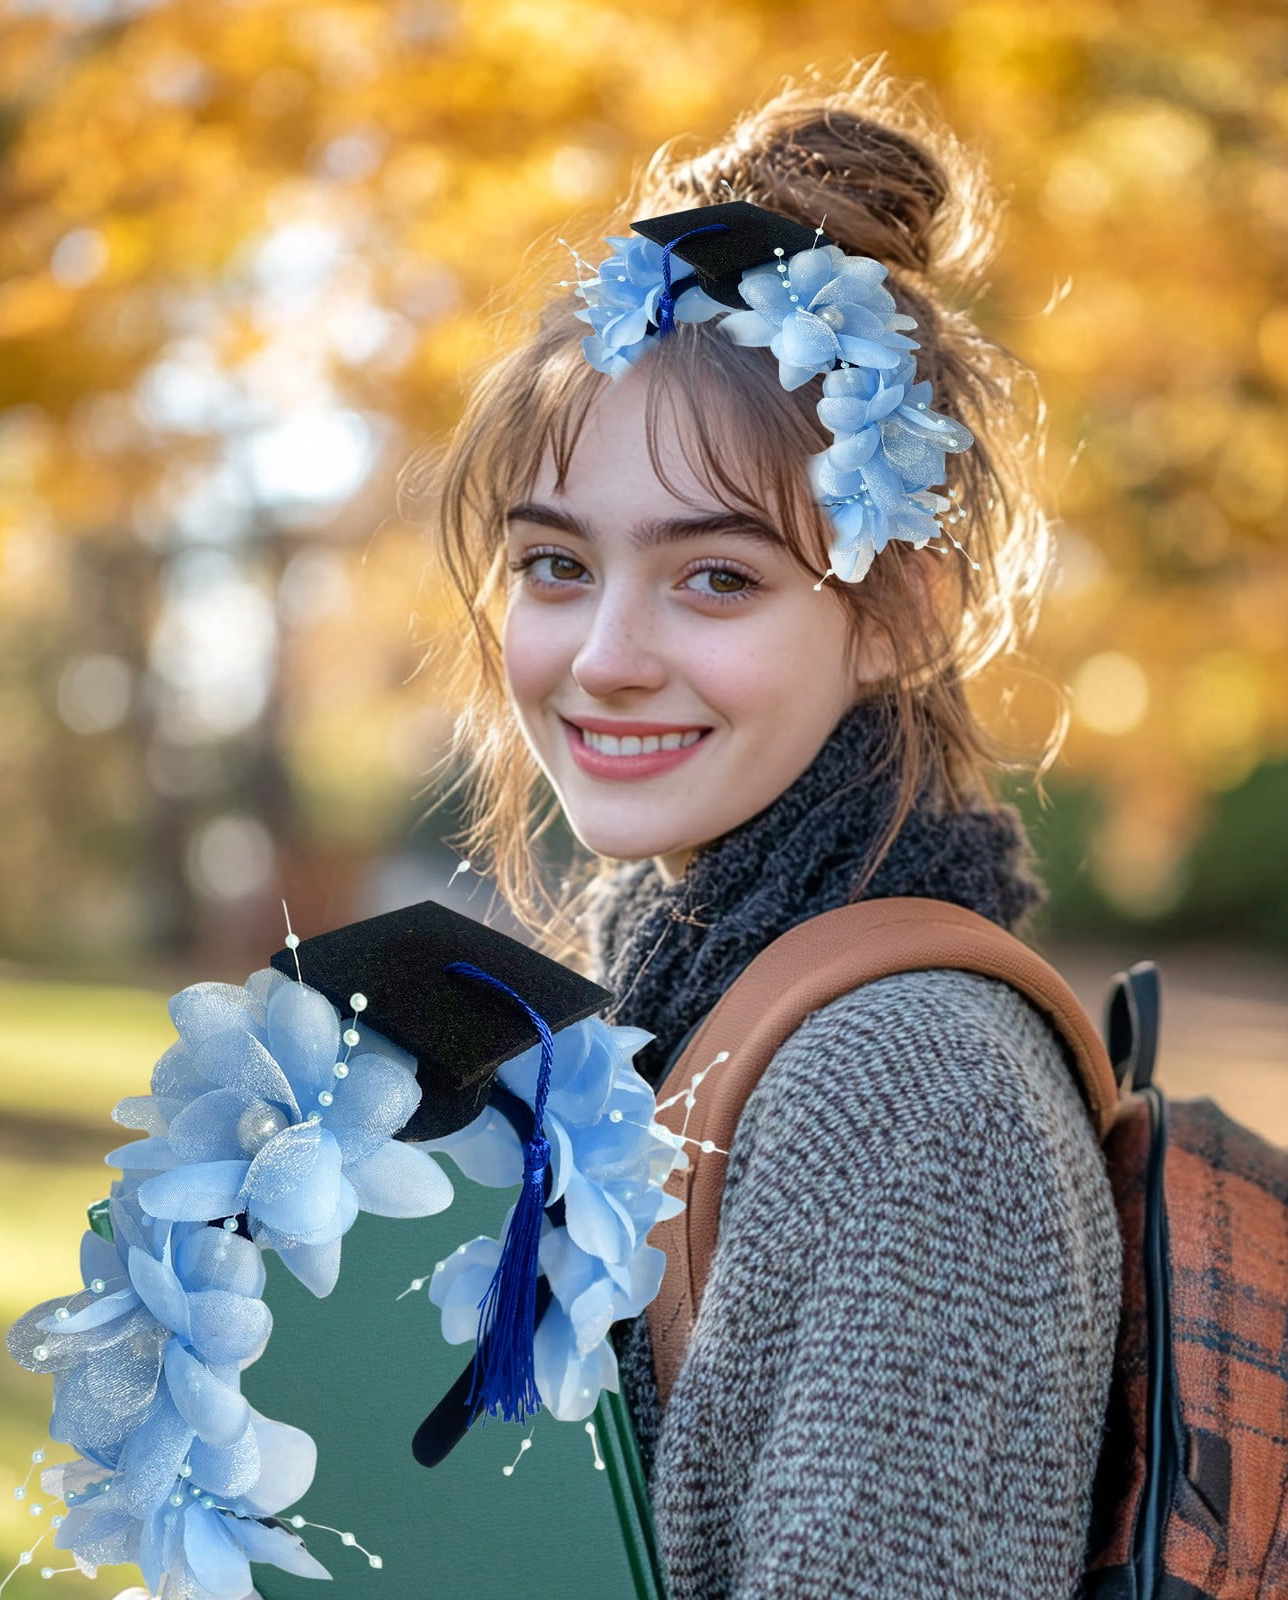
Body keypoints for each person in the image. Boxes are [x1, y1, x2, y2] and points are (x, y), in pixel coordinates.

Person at [425, 58, 1123, 1600]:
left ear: (903, 615)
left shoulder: (907, 1094)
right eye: (556, 565)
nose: (606, 655)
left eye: (718, 577)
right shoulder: (670, 1011)